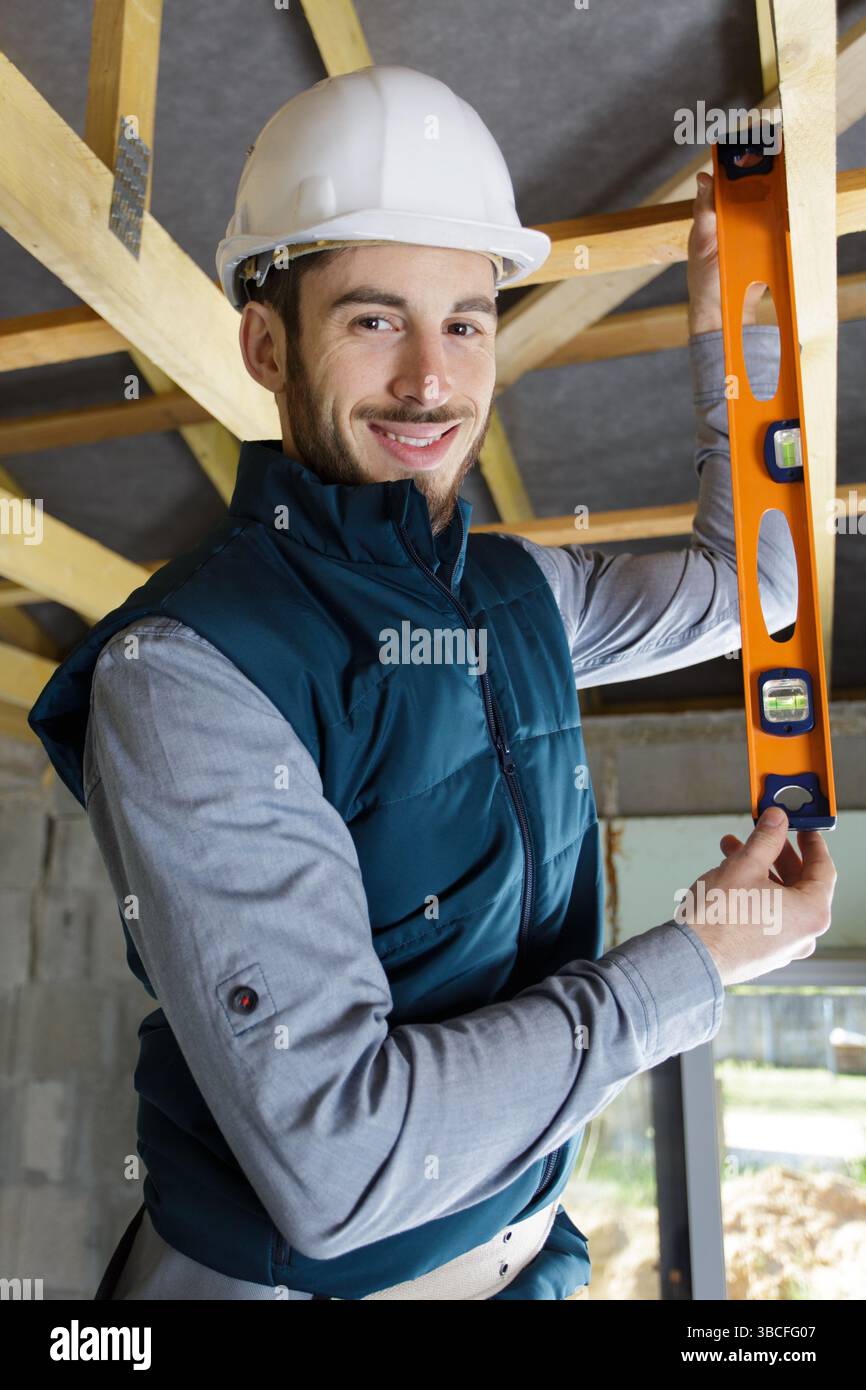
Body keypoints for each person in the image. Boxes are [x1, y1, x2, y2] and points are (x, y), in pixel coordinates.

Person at [29, 65, 836, 1301]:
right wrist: (701, 957)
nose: (428, 379)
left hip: (524, 1257)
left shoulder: (519, 598)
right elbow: (340, 1166)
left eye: (464, 320)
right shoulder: (191, 673)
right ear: (264, 343)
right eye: (370, 318)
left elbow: (760, 586)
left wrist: (736, 331)